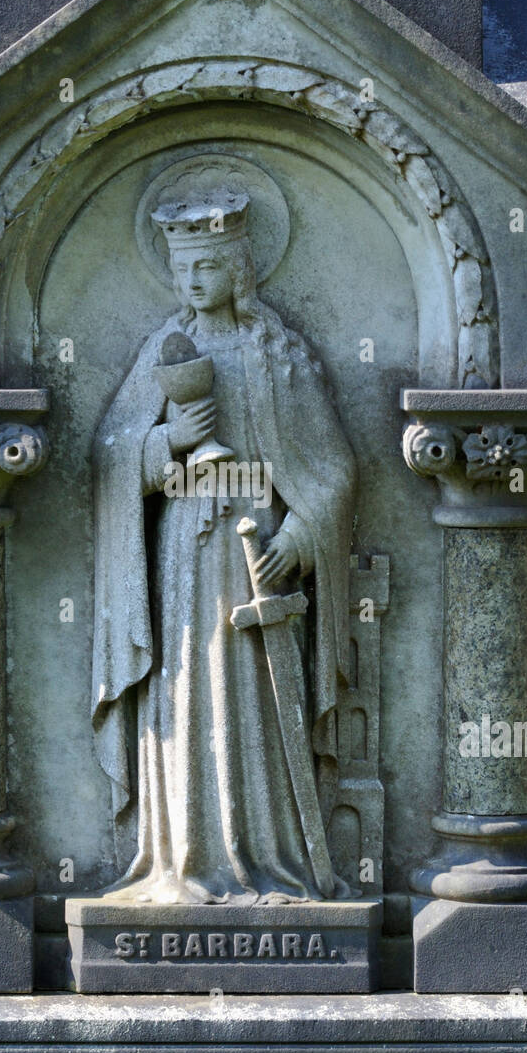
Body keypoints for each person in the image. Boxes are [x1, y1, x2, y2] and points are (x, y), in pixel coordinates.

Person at [91, 188, 356, 904]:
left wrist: (300, 537)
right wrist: (163, 444)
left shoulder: (278, 353)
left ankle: (267, 861)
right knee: (184, 692)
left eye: (207, 266)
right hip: (182, 553)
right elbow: (109, 452)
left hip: (256, 552)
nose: (193, 283)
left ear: (240, 268)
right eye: (183, 271)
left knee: (255, 696)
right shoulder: (163, 351)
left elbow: (331, 466)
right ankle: (178, 865)